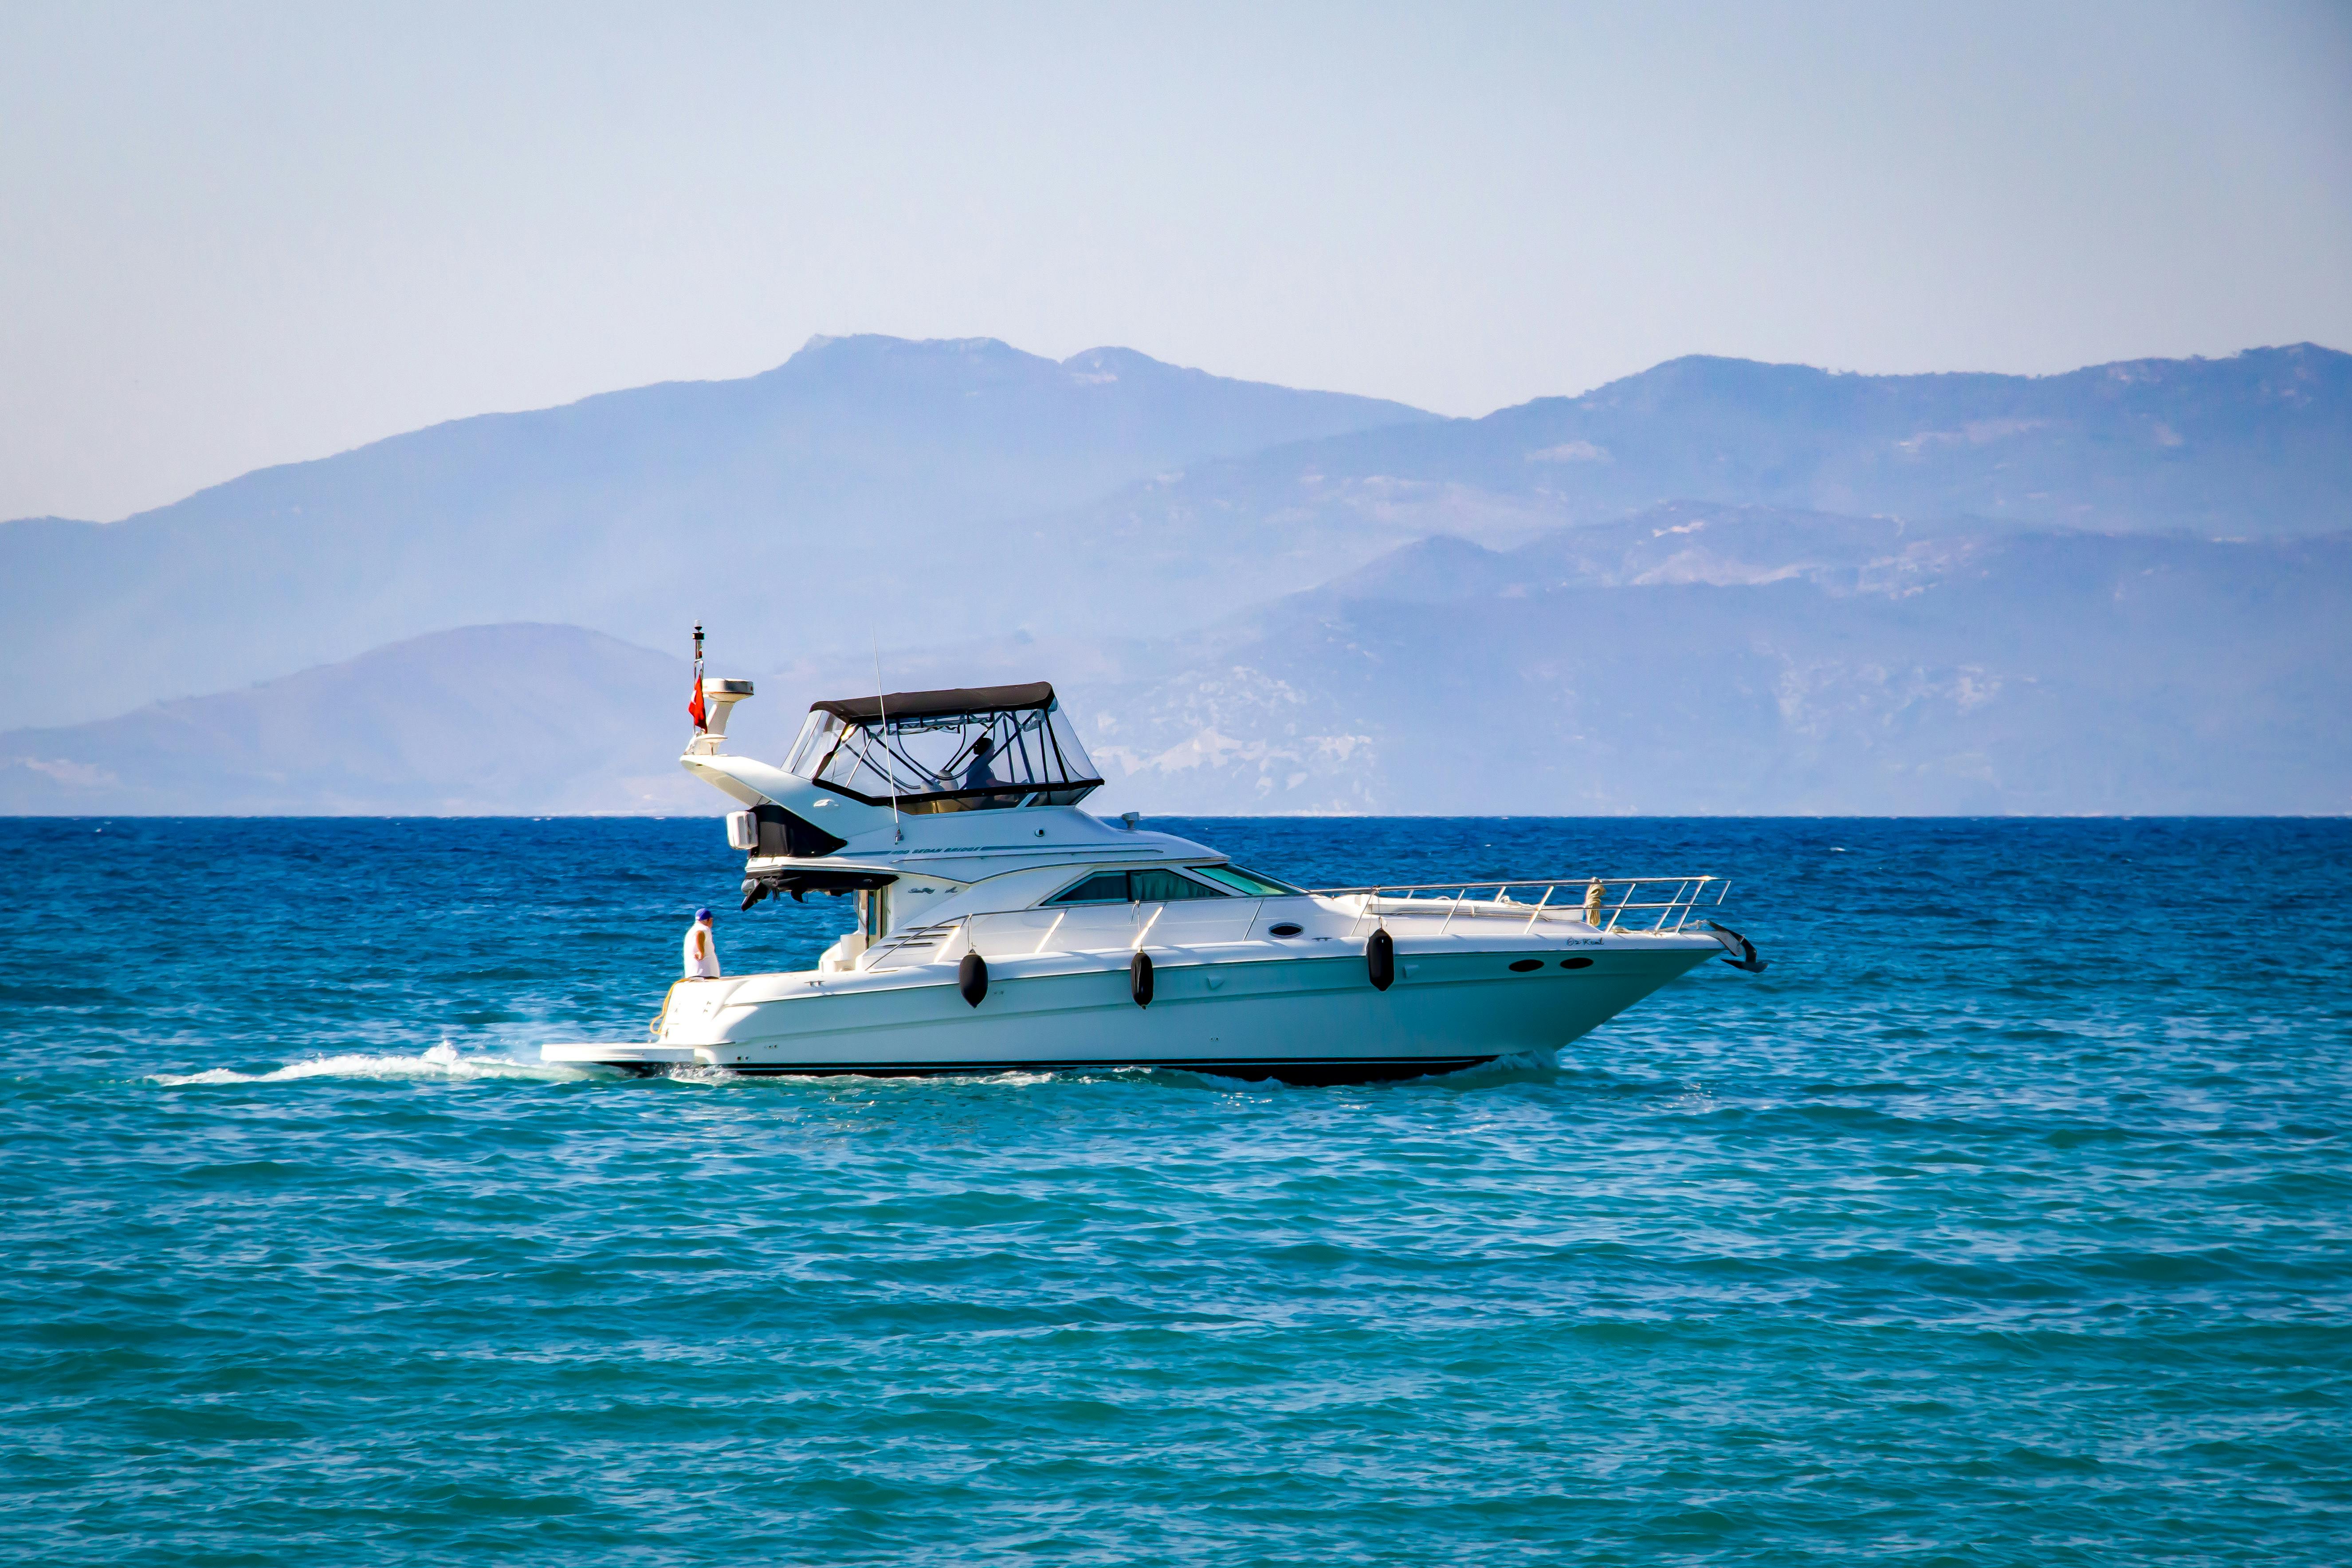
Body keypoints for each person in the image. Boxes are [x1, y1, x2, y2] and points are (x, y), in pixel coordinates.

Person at [682, 907, 721, 980]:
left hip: (692, 974)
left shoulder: (691, 931)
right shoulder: (704, 929)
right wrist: (701, 952)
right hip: (706, 974)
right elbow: (700, 934)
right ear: (709, 920)